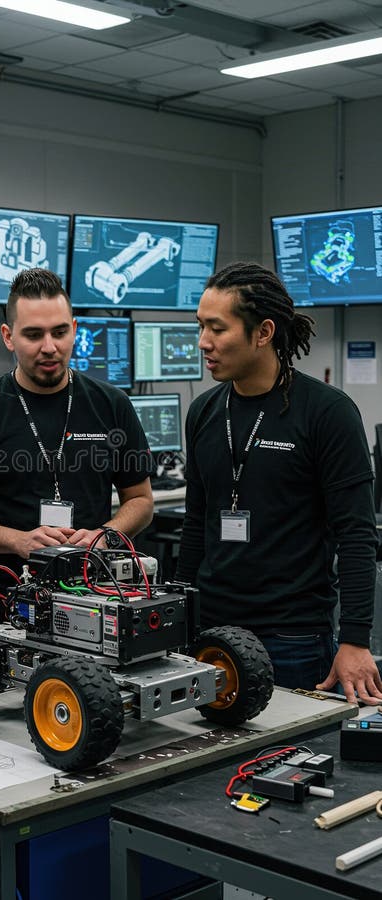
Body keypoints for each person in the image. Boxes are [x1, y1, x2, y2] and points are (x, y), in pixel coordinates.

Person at [175, 261, 382, 704]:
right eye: (200, 327)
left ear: (263, 332)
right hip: (211, 634)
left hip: (292, 640)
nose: (203, 343)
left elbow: (357, 535)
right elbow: (196, 524)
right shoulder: (204, 412)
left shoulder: (326, 412)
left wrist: (356, 639)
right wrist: (178, 613)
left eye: (217, 328)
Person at [0, 268, 154, 631]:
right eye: (33, 335)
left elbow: (141, 501)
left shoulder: (111, 405)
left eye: (59, 332)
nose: (49, 347)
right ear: (8, 337)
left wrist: (105, 533)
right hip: (7, 612)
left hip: (95, 606)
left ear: (74, 328)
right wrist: (17, 540)